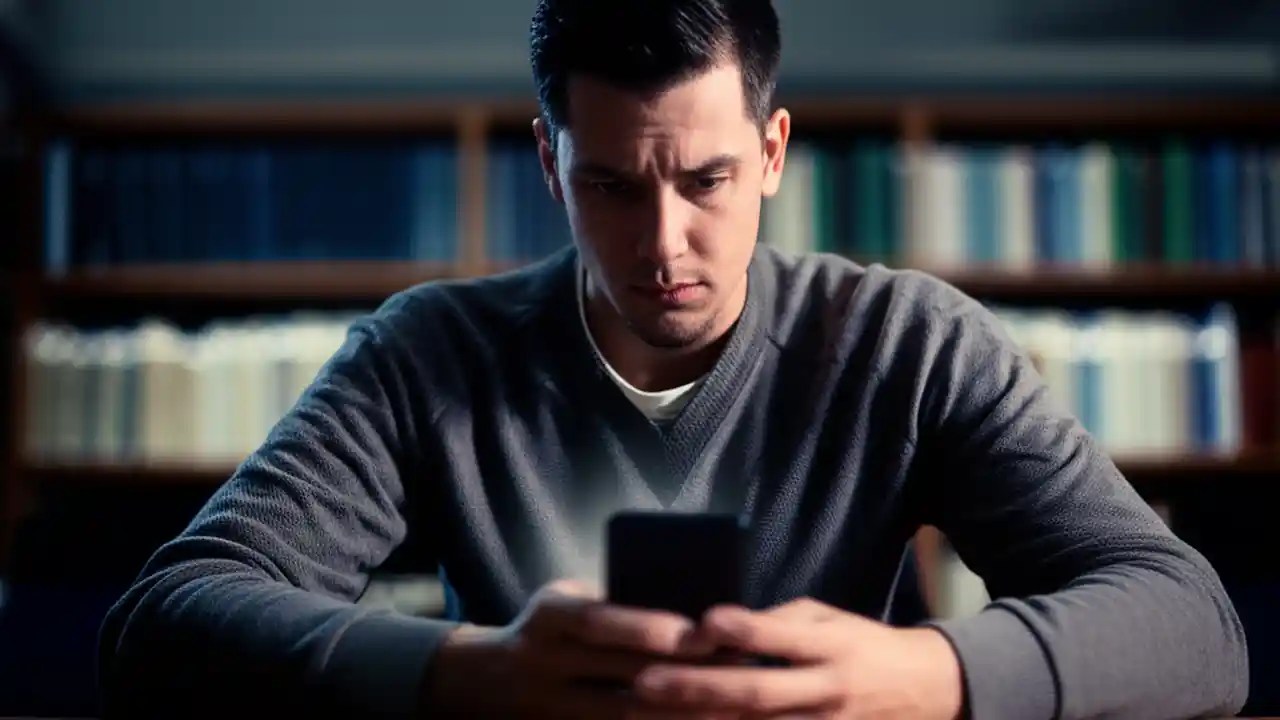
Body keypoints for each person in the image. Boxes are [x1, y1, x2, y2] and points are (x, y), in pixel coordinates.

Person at [97, 0, 1250, 717]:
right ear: (548, 163)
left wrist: (924, 678)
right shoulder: (424, 354)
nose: (662, 246)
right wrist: (466, 672)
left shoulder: (912, 343)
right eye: (608, 184)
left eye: (706, 181)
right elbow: (163, 621)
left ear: (772, 152)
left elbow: (1191, 623)